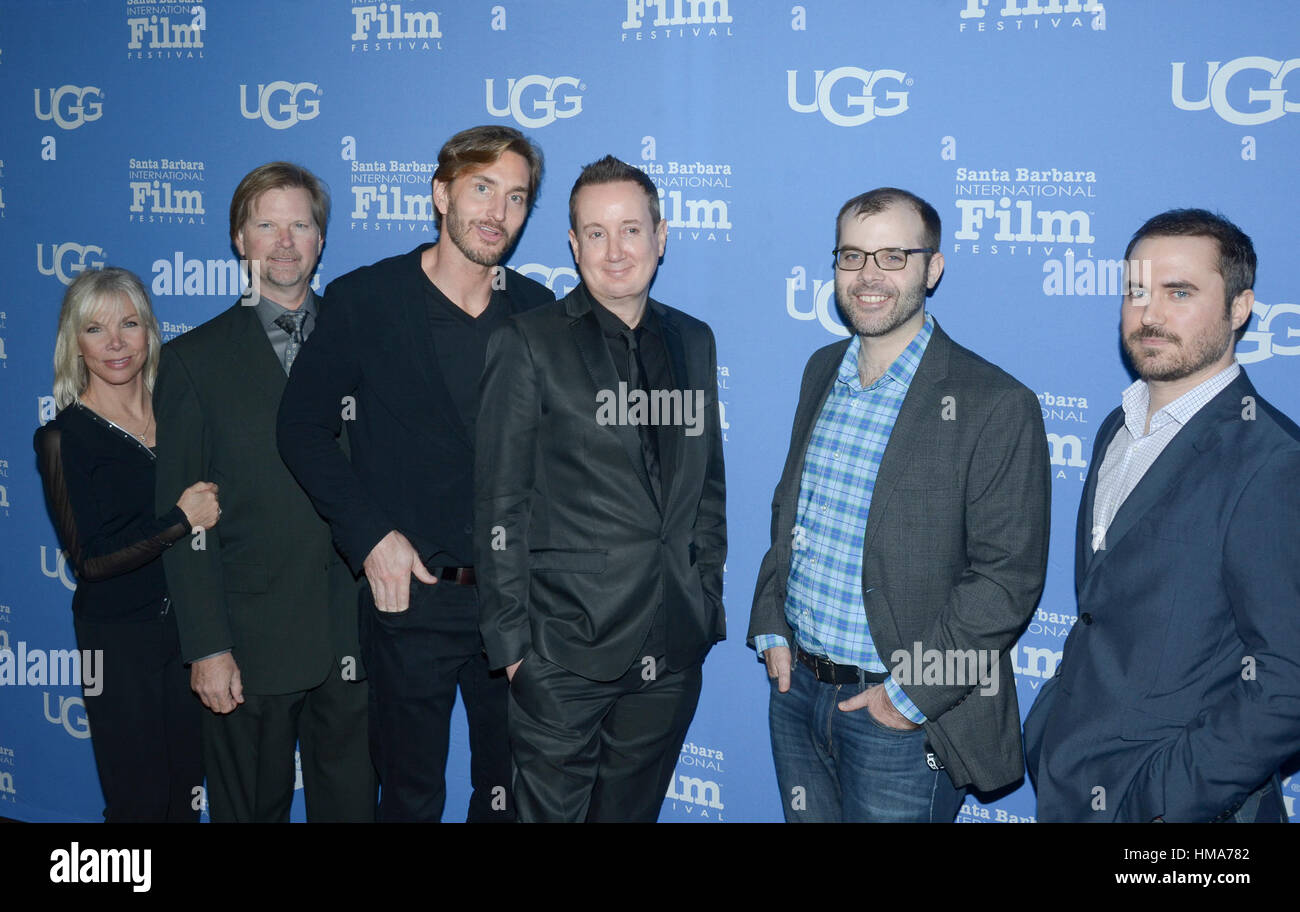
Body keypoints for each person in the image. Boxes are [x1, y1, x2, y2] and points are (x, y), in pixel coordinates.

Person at [747, 187, 1051, 823]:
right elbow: (793, 509)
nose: (868, 277)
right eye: (852, 256)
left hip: (901, 719)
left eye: (892, 256)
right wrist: (771, 619)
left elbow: (1006, 581)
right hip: (797, 694)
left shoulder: (994, 402)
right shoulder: (820, 368)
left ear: (932, 268)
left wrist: (907, 699)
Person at [277, 125, 552, 822]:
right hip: (411, 603)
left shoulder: (541, 312)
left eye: (516, 197)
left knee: (512, 794)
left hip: (517, 606)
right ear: (441, 194)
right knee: (407, 798)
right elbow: (300, 428)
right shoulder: (365, 300)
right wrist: (370, 536)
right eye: (481, 188)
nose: (497, 212)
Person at [1023, 209, 1300, 823]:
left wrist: (1162, 800)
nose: (1150, 314)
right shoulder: (1116, 428)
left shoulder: (1273, 461)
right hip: (1073, 782)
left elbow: (1289, 678)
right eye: (1136, 291)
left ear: (1240, 307)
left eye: (1180, 293)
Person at [475, 154, 727, 823]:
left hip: (670, 645)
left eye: (631, 230)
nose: (615, 250)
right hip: (562, 654)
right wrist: (513, 653)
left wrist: (704, 597)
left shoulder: (693, 341)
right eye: (595, 232)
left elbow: (707, 485)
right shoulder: (528, 343)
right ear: (573, 243)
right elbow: (500, 503)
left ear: (661, 235)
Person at [154, 161, 374, 823]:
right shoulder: (194, 362)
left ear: (320, 240)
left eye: (300, 225)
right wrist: (207, 646)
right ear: (239, 241)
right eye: (266, 225)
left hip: (354, 632)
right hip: (248, 643)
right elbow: (184, 522)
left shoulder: (369, 341)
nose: (284, 241)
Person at [34, 267, 217, 822]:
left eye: (129, 324)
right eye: (96, 329)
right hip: (115, 642)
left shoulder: (182, 416)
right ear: (76, 343)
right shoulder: (63, 437)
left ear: (149, 332)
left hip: (192, 632)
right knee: (137, 800)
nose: (115, 342)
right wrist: (180, 521)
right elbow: (90, 560)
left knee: (188, 790)